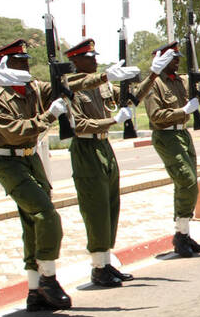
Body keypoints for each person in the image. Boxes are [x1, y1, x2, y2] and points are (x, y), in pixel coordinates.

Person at [0, 39, 109, 311]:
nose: (27, 64)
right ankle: (48, 279)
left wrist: (105, 76)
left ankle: (34, 291)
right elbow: (15, 132)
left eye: (27, 60)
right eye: (20, 61)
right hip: (9, 163)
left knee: (32, 225)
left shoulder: (30, 88)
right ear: (4, 64)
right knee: (47, 216)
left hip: (31, 160)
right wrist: (49, 117)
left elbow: (67, 86)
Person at [63, 39, 146, 287]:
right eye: (89, 57)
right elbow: (78, 125)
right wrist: (112, 122)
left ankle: (106, 262)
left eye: (95, 56)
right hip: (86, 148)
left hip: (104, 146)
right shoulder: (70, 88)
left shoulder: (101, 87)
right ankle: (98, 267)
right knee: (95, 207)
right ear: (75, 61)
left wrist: (152, 75)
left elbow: (131, 99)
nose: (95, 60)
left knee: (110, 204)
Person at [143, 41, 200, 257]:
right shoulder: (154, 85)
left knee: (189, 183)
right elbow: (156, 117)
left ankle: (183, 234)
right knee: (186, 180)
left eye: (178, 58)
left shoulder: (183, 81)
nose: (177, 62)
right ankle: (180, 235)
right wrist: (182, 110)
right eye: (172, 58)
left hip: (182, 134)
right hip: (166, 135)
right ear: (160, 60)